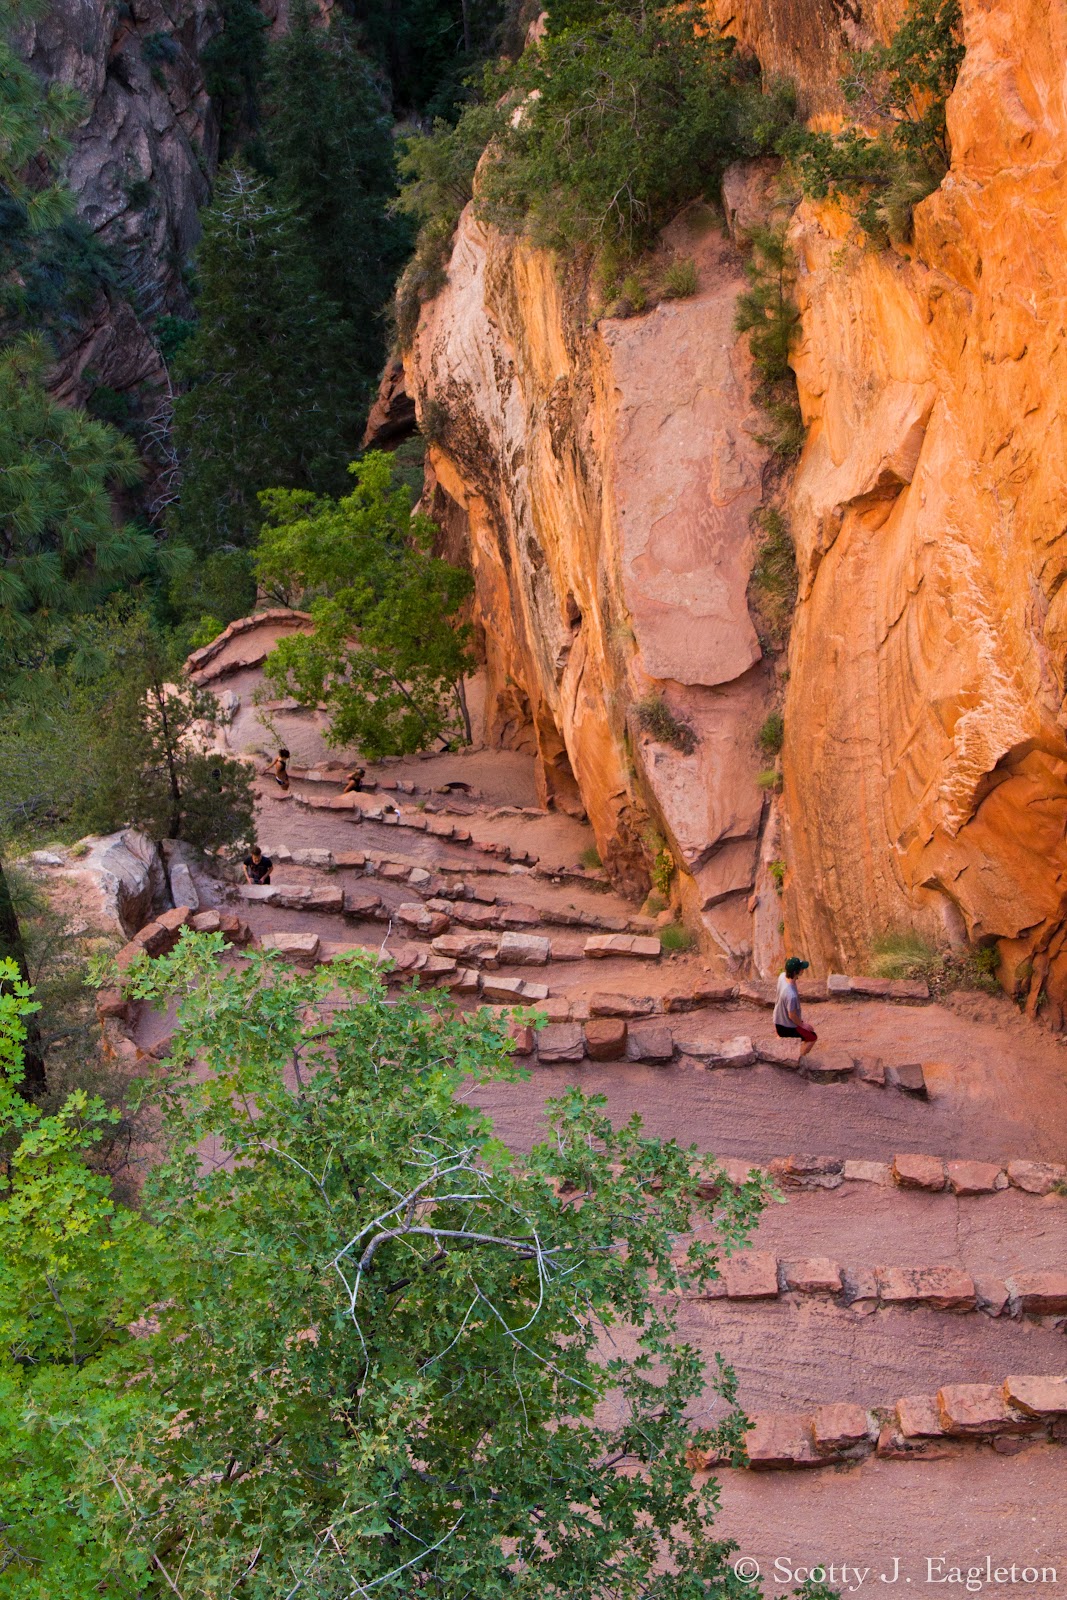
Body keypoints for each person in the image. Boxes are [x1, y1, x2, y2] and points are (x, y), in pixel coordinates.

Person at [774, 956, 818, 1057]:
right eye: (801, 968)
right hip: (786, 1026)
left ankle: (780, 1041)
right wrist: (803, 1025)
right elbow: (792, 1015)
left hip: (778, 1019)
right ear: (795, 972)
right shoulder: (791, 995)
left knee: (783, 1035)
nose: (803, 970)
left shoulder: (782, 976)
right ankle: (798, 1060)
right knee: (812, 1037)